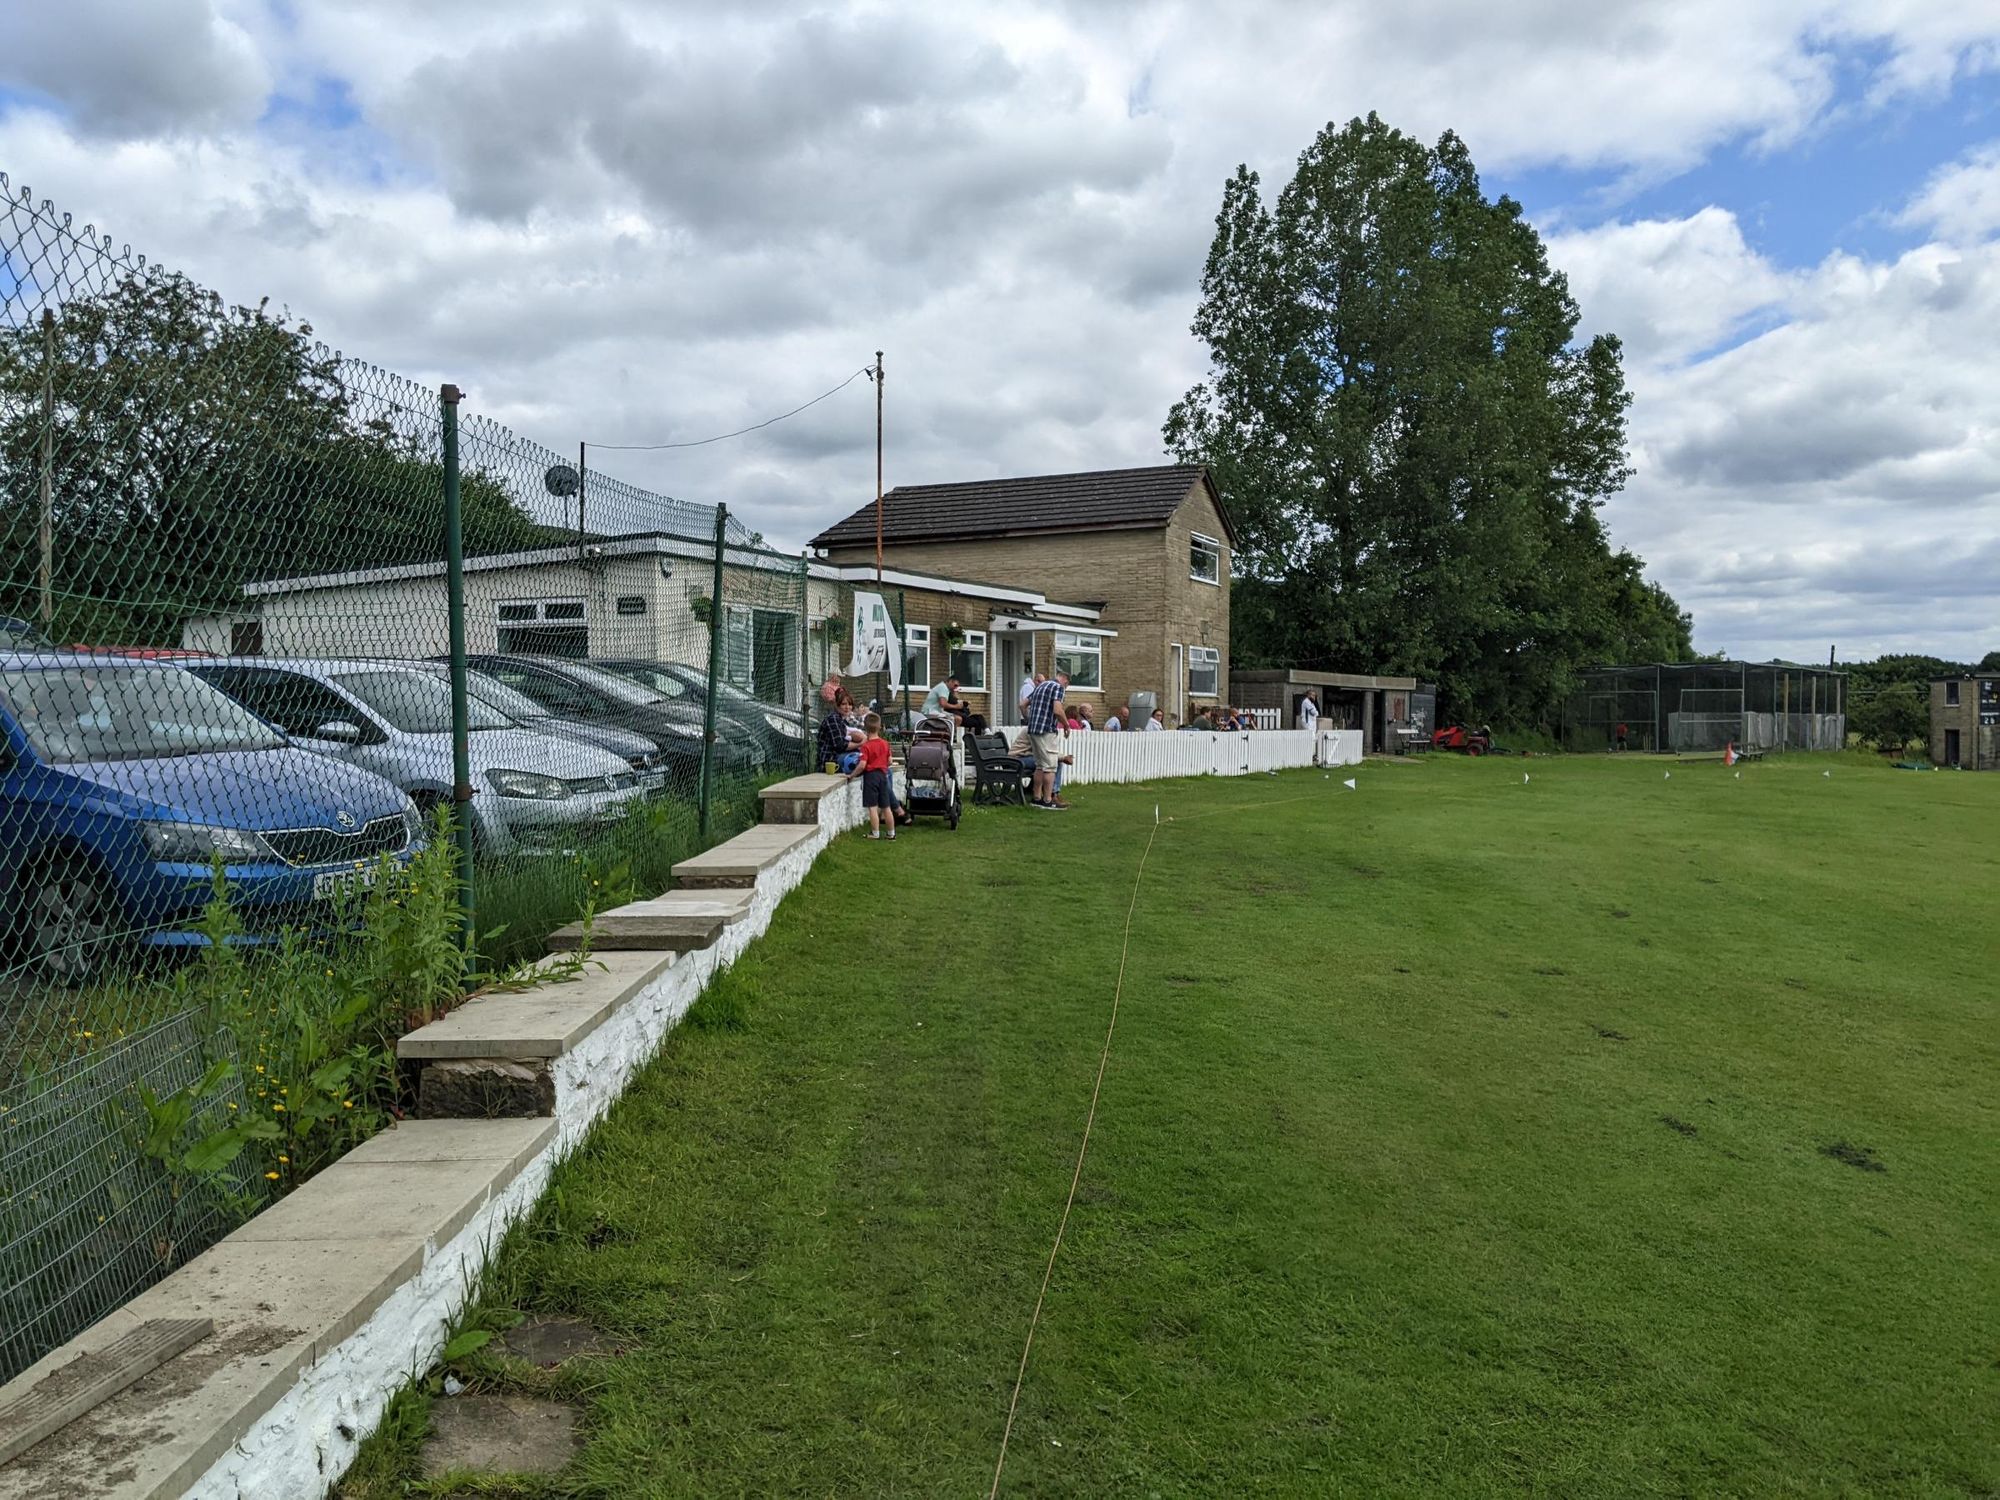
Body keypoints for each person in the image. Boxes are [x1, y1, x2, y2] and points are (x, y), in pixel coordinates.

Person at [846, 712, 897, 840]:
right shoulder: (885, 744)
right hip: (883, 776)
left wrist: (852, 775)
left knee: (872, 807)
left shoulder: (866, 746)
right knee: (886, 807)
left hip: (871, 777)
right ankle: (891, 833)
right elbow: (890, 761)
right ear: (880, 727)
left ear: (865, 728)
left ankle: (875, 833)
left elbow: (862, 765)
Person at [1023, 669, 1069, 810]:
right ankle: (1048, 800)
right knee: (1050, 766)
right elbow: (1057, 710)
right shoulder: (1058, 688)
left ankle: (1036, 798)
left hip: (1033, 730)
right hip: (1046, 731)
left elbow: (1022, 704)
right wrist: (1066, 725)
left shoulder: (1040, 686)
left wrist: (1028, 719)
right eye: (1067, 686)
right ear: (1065, 681)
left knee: (1039, 766)